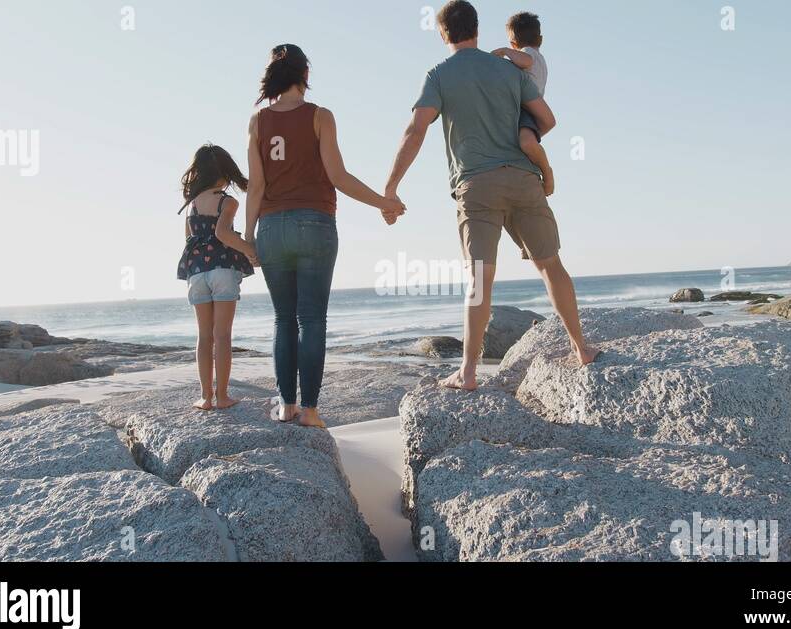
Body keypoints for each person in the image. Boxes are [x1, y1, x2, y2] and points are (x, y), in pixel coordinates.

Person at [384, 0, 599, 392]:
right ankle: (581, 348)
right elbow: (547, 118)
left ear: (443, 33)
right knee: (551, 265)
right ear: (477, 29)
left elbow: (415, 131)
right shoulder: (508, 68)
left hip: (476, 186)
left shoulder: (438, 75)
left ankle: (467, 372)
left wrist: (392, 186)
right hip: (523, 177)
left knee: (480, 280)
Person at [245, 44, 406, 428]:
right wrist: (383, 202)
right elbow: (338, 176)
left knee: (284, 318)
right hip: (315, 223)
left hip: (271, 227)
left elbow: (255, 186)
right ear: (305, 75)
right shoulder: (320, 116)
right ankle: (311, 412)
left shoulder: (257, 121)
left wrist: (249, 237)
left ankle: (286, 407)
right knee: (312, 319)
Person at [177, 145, 259, 411]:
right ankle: (222, 396)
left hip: (196, 273)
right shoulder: (227, 201)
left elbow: (189, 240)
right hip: (222, 269)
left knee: (204, 336)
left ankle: (205, 397)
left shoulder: (191, 205)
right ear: (226, 173)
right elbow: (223, 234)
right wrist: (250, 251)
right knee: (222, 335)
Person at [492, 11, 555, 196]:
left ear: (514, 44)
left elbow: (525, 61)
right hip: (530, 108)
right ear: (541, 39)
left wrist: (505, 51)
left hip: (526, 110)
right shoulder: (539, 57)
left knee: (527, 143)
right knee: (522, 143)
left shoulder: (528, 54)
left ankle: (546, 171)